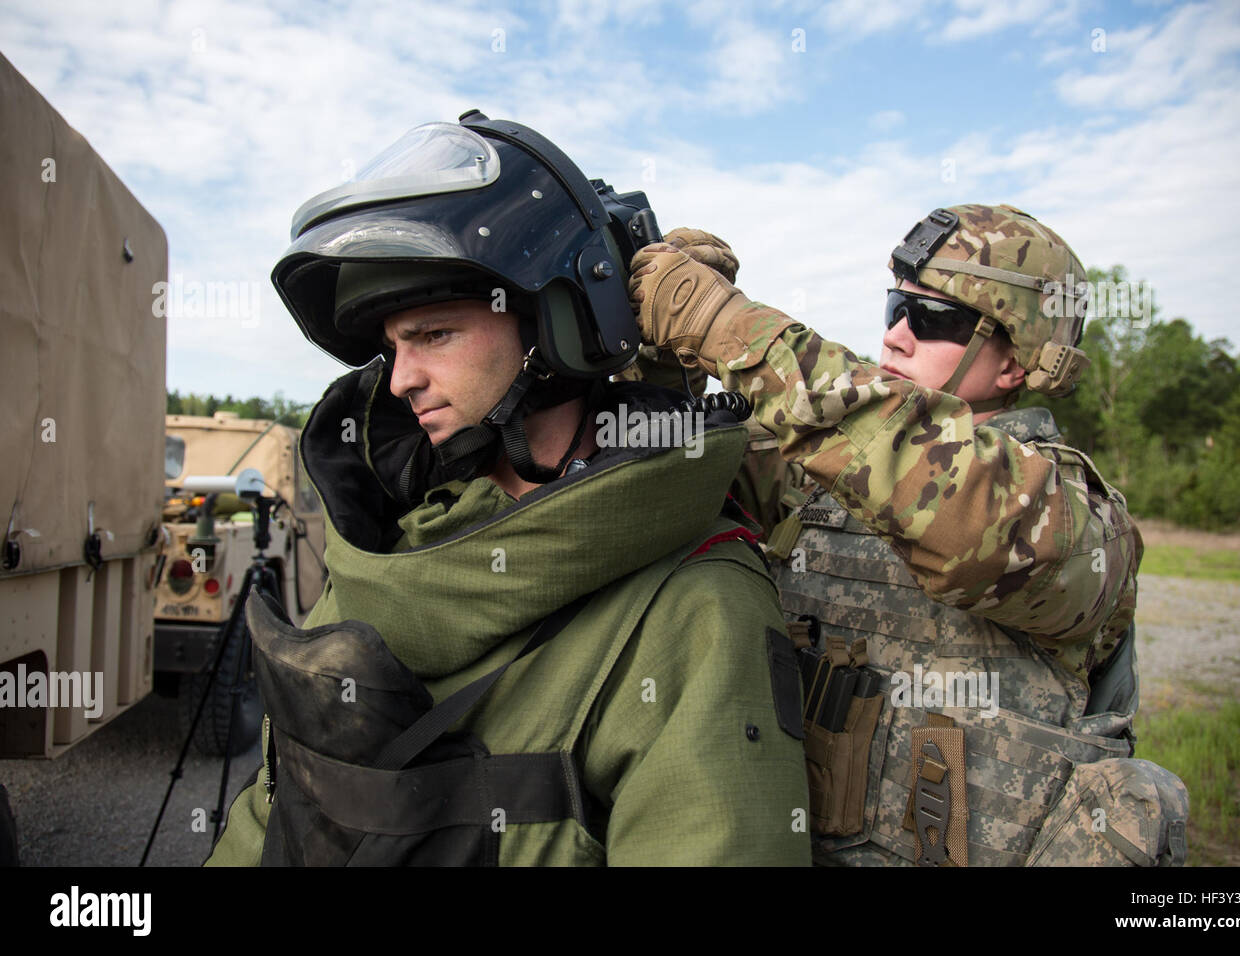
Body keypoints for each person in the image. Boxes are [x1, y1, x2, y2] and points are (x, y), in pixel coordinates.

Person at [205, 113, 810, 866]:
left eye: (433, 334)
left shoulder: (695, 608)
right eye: (393, 347)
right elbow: (275, 818)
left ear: (555, 327)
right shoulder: (395, 548)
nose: (401, 378)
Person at [626, 204, 1188, 866]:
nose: (895, 335)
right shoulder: (816, 475)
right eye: (896, 306)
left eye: (933, 319)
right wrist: (668, 364)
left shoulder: (1075, 521)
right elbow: (659, 475)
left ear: (1015, 361)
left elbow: (956, 504)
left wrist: (728, 326)